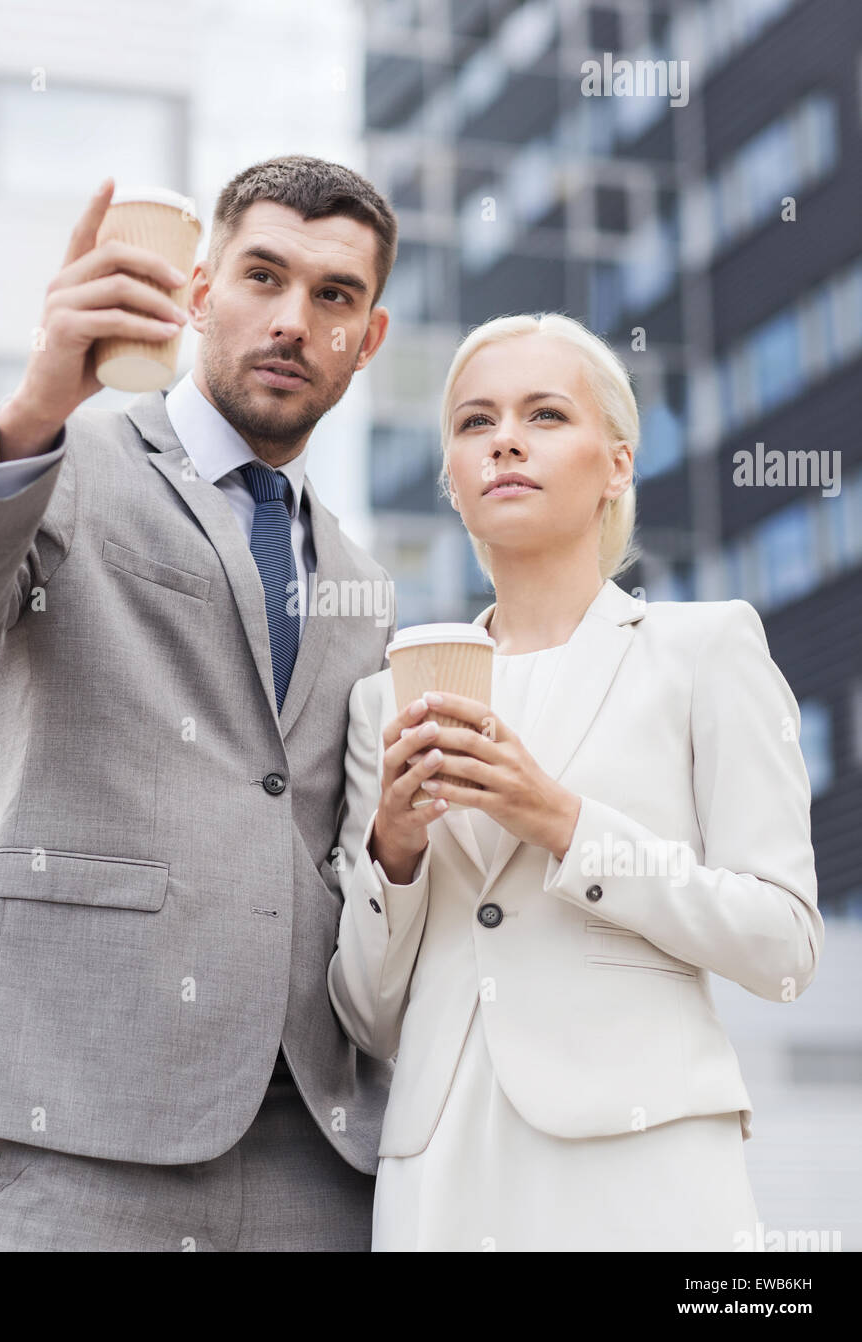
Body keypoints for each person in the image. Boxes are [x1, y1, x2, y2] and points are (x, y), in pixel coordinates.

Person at [0, 155, 399, 1251]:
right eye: (261, 275)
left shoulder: (361, 579)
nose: (293, 319)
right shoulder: (62, 460)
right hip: (82, 1106)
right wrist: (39, 399)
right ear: (199, 292)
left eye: (332, 294)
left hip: (315, 1143)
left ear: (366, 337)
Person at [327, 312, 824, 1252]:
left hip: (641, 1166)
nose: (505, 438)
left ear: (618, 464)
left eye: (545, 414)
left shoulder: (703, 651)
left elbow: (784, 946)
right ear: (453, 482)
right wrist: (391, 852)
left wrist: (562, 821)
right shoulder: (381, 700)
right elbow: (366, 1014)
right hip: (440, 1174)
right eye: (475, 423)